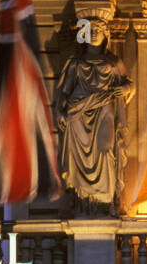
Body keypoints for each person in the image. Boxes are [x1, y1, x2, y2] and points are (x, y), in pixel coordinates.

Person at [54, 19, 134, 216]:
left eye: (98, 30)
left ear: (106, 34)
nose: (94, 33)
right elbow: (64, 91)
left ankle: (105, 200)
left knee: (106, 149)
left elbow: (129, 84)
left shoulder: (114, 62)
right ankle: (83, 201)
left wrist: (124, 88)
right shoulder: (75, 63)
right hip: (77, 112)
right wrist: (59, 111)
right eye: (90, 30)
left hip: (105, 109)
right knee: (77, 157)